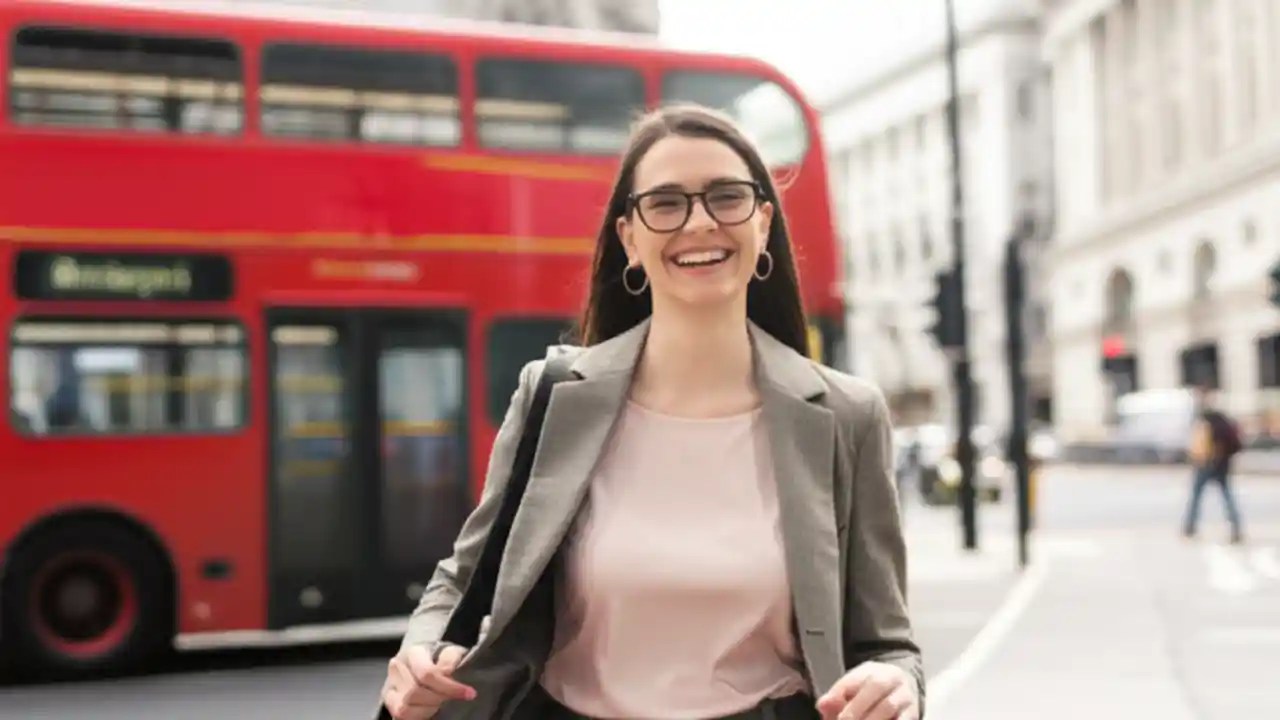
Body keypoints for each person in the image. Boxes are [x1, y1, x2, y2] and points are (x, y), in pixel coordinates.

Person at [377, 104, 923, 720]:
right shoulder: (552, 395)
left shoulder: (848, 416)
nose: (699, 222)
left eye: (726, 197)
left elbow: (889, 644)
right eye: (666, 204)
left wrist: (896, 683)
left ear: (763, 224)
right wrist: (421, 648)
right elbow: (462, 578)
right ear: (629, 238)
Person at [1182, 389, 1245, 544]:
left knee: (1197, 496)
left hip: (1205, 464)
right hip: (1222, 465)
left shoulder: (1205, 422)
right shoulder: (1224, 421)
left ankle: (1190, 528)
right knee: (1227, 497)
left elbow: (1199, 446)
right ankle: (1236, 528)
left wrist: (1195, 458)